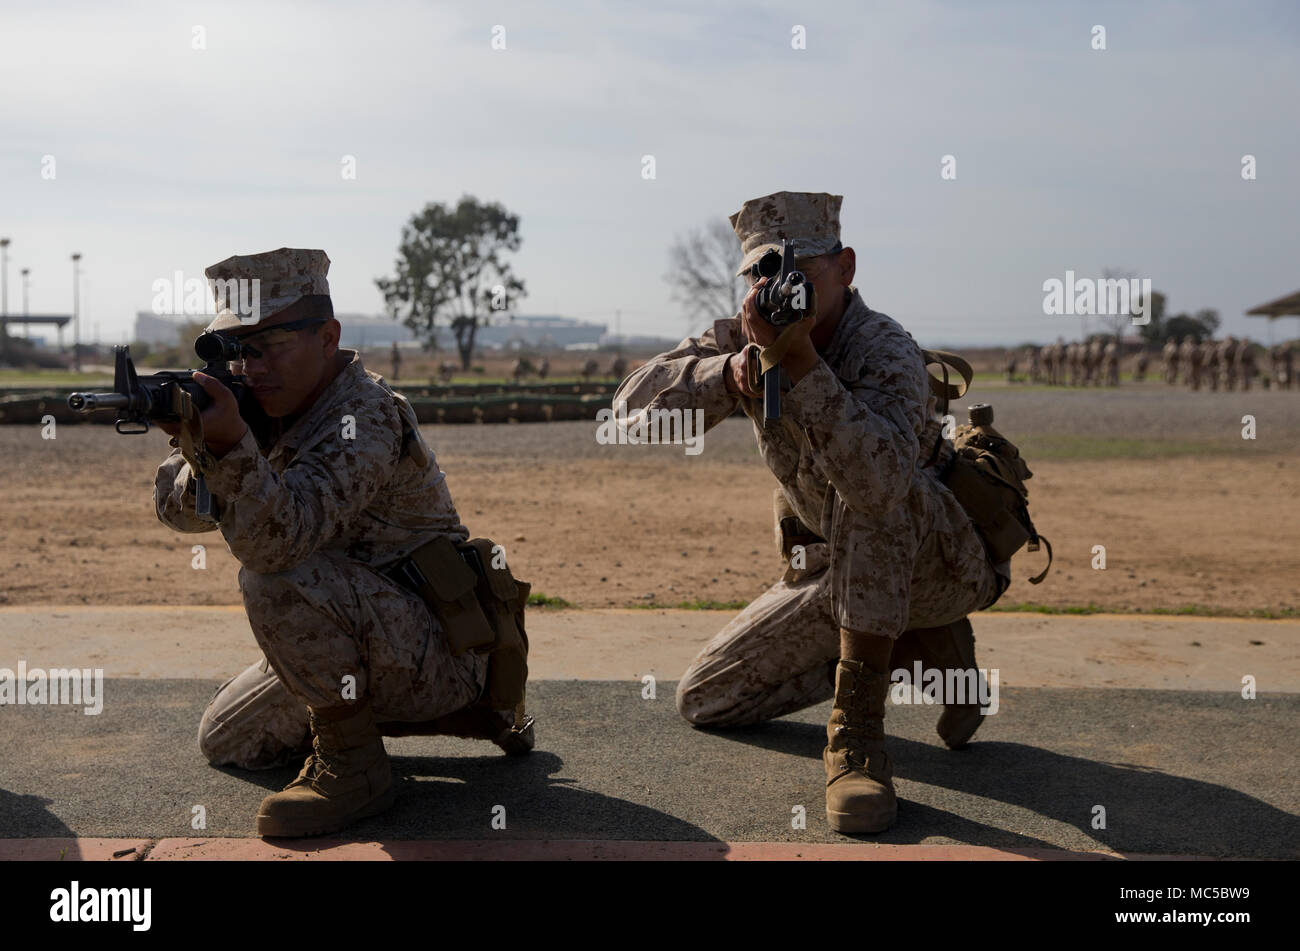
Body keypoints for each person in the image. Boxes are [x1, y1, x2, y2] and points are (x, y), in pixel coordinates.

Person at [613, 192, 1005, 834]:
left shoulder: (884, 348)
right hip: (846, 576)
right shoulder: (747, 335)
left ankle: (857, 740)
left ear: (846, 269)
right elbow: (628, 416)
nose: (778, 287)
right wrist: (728, 373)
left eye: (800, 273)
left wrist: (802, 365)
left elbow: (879, 489)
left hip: (942, 564)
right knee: (707, 699)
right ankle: (913, 650)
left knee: (868, 493)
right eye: (762, 273)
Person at [154, 248, 529, 838]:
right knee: (230, 741)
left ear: (328, 336)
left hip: (445, 646)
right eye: (239, 350)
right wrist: (204, 449)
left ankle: (358, 770)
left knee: (272, 578)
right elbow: (177, 516)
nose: (253, 367)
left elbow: (279, 545)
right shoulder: (261, 408)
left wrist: (231, 450)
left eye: (271, 343)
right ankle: (369, 715)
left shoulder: (365, 415)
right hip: (359, 629)